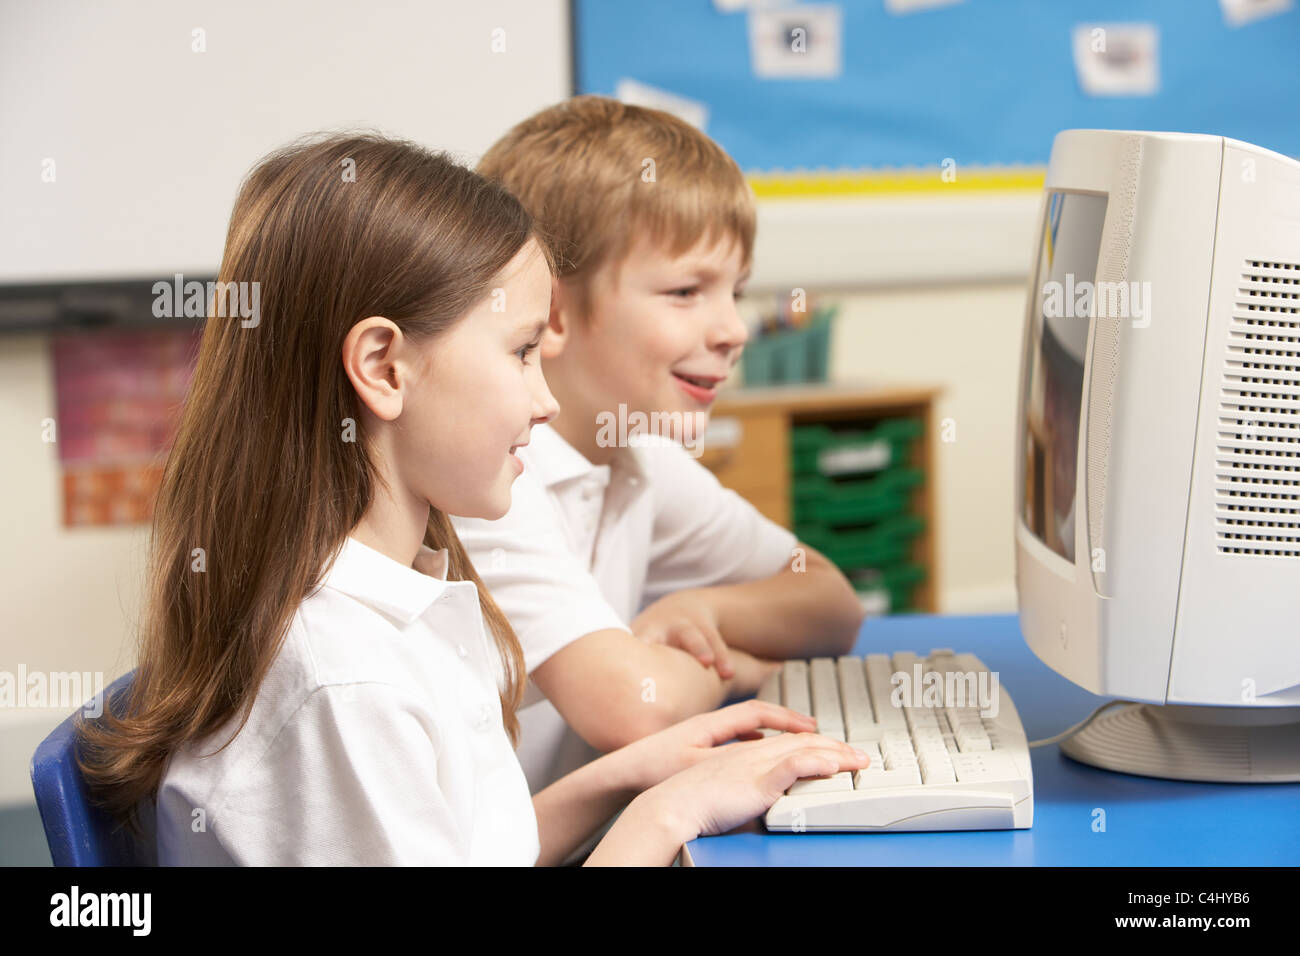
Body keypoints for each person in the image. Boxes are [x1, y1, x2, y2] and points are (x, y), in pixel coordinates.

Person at [74, 132, 868, 865]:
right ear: (385, 368)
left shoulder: (408, 598)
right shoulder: (345, 682)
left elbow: (480, 848)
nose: (545, 401)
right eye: (522, 352)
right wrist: (666, 816)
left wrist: (636, 776)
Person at [452, 96, 866, 798]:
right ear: (549, 310)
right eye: (685, 291)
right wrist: (746, 665)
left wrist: (704, 614)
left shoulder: (638, 457)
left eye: (734, 290)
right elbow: (637, 708)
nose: (734, 329)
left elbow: (831, 602)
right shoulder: (489, 481)